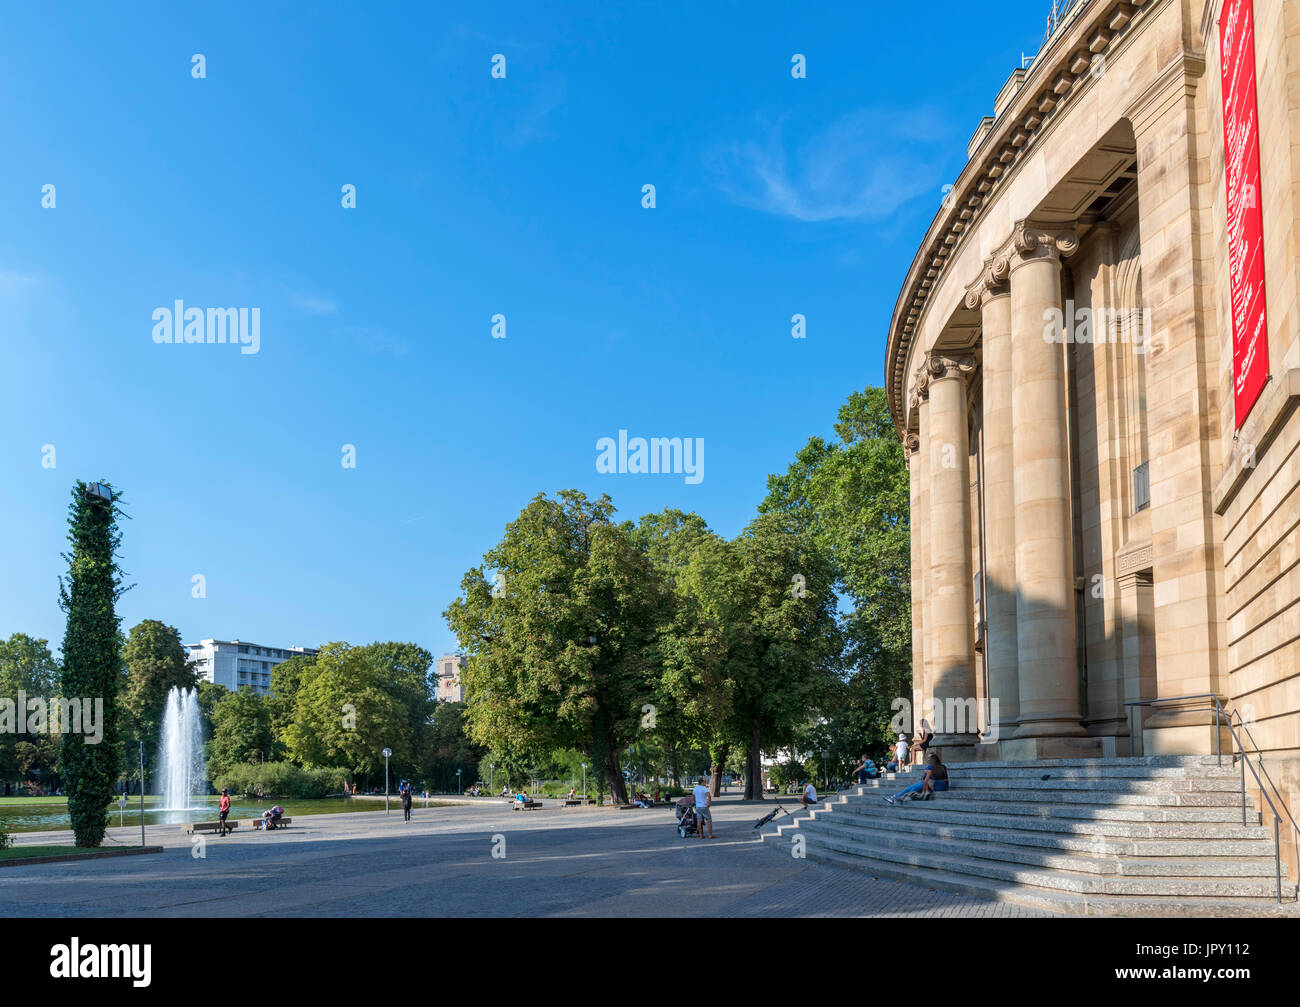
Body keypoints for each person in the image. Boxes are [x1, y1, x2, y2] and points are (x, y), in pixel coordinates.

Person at [884, 753, 949, 805]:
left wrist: (933, 781)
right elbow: (923, 778)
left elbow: (946, 780)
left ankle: (899, 798)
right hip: (927, 783)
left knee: (914, 788)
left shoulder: (941, 767)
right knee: (910, 787)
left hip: (935, 785)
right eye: (928, 758)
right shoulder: (929, 767)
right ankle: (894, 797)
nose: (928, 760)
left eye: (930, 758)